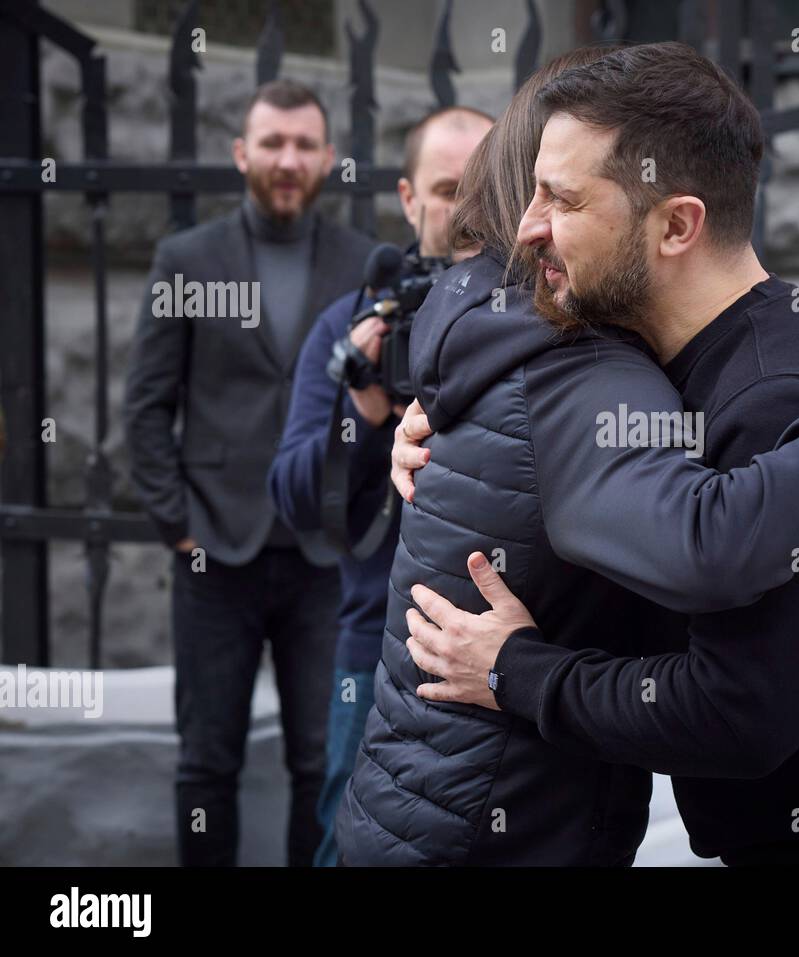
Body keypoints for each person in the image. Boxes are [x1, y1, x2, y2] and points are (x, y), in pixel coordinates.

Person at [379, 42, 799, 866]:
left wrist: (516, 670)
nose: (528, 226)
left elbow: (737, 717)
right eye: (534, 190)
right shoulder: (650, 362)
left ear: (677, 223)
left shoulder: (787, 395)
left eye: (562, 199)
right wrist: (443, 433)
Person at [123, 79, 375, 866]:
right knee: (206, 764)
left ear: (329, 157)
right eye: (272, 142)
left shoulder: (364, 263)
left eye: (305, 144)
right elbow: (145, 408)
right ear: (242, 154)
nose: (288, 159)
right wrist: (178, 528)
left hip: (323, 556)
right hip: (214, 556)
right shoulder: (187, 258)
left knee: (321, 762)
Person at [267, 106, 492, 867]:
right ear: (406, 198)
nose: (464, 212)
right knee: (350, 840)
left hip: (512, 646)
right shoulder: (352, 324)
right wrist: (362, 412)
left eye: (484, 189)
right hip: (377, 643)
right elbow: (294, 495)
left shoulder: (539, 316)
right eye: (445, 188)